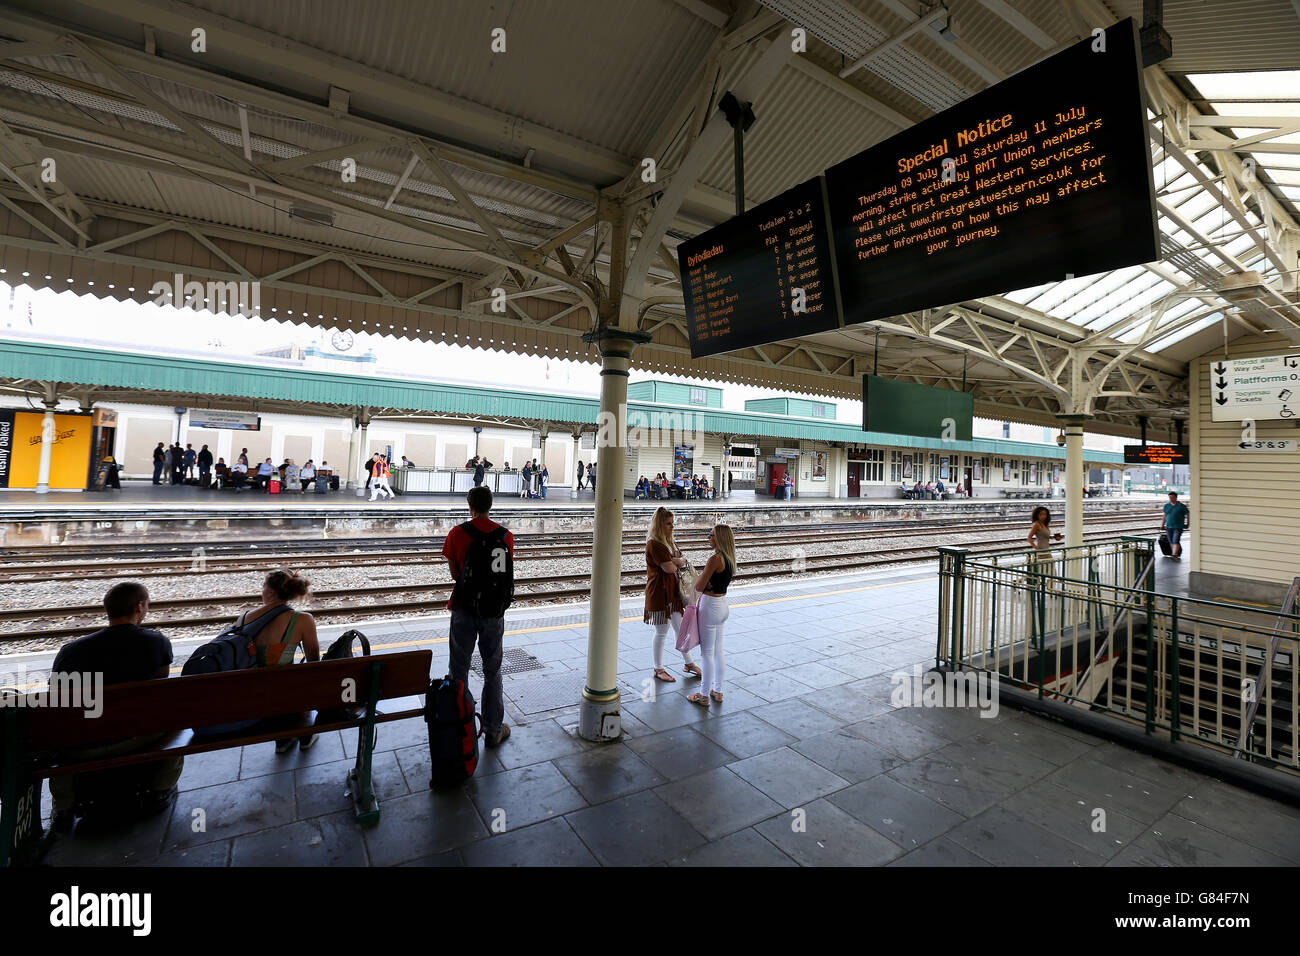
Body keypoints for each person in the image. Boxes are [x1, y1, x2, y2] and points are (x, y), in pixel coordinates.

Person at [47, 581, 182, 832]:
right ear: (139, 607)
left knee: (60, 733)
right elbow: (160, 684)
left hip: (82, 744)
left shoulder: (70, 651)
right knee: (176, 720)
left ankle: (64, 807)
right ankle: (162, 788)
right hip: (138, 735)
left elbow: (57, 699)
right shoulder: (157, 642)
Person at [443, 486, 513, 748]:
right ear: (490, 505)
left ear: (469, 505)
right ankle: (494, 729)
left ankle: (463, 728)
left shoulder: (457, 533)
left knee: (458, 669)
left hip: (464, 608)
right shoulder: (506, 536)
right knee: (492, 670)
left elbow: (455, 574)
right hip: (493, 612)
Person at [237, 569, 320, 752]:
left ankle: (282, 740)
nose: (261, 591)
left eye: (263, 587)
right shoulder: (303, 620)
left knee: (273, 687)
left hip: (252, 695)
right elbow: (314, 661)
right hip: (287, 694)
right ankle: (305, 736)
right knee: (300, 682)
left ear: (271, 593)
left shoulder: (244, 618)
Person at [644, 506, 700, 685]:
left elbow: (680, 561)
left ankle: (689, 663)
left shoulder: (669, 542)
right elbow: (669, 568)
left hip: (673, 593)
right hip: (659, 594)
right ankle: (658, 668)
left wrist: (675, 561)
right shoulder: (655, 544)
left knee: (680, 629)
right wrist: (676, 561)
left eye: (672, 523)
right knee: (661, 632)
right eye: (668, 524)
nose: (672, 527)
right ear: (659, 525)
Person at [686, 524, 736, 708]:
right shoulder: (730, 559)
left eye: (712, 535)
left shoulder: (715, 559)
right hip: (723, 606)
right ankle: (718, 690)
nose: (708, 538)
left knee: (706, 653)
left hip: (710, 607)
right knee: (718, 651)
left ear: (720, 539)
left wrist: (702, 582)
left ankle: (704, 695)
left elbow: (698, 586)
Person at [1163, 491, 1190, 560]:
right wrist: (1162, 524)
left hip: (1178, 526)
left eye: (1172, 497)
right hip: (1168, 526)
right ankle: (1174, 553)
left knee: (1176, 540)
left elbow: (1188, 514)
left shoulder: (1181, 506)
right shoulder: (1166, 506)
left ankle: (1174, 554)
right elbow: (1164, 516)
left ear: (1176, 497)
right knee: (1171, 541)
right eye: (1170, 497)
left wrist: (1188, 523)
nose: (1171, 499)